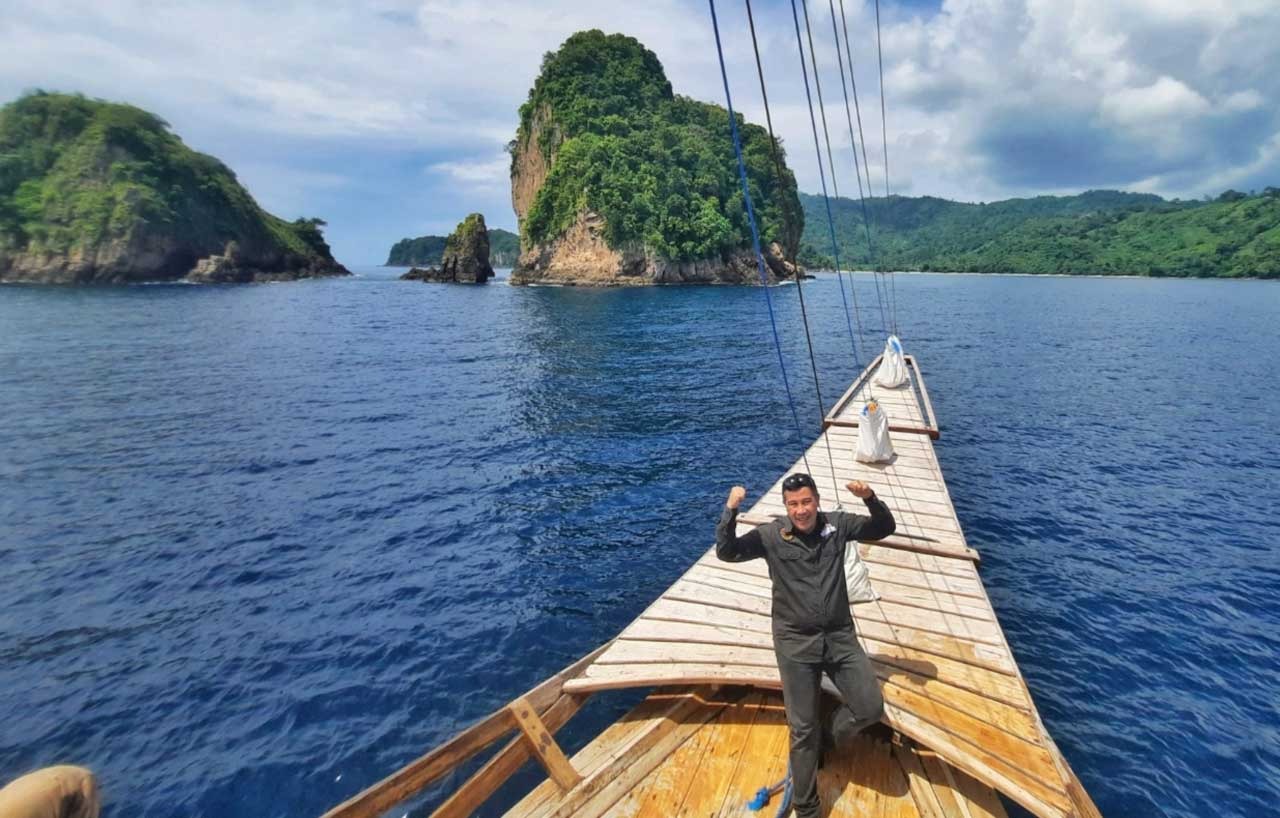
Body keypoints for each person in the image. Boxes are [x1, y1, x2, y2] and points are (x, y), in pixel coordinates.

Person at [716, 473, 894, 818]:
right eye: (793, 504)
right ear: (786, 507)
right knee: (801, 729)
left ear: (817, 500)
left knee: (869, 708)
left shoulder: (837, 526)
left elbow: (883, 528)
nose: (801, 510)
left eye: (806, 502)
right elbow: (728, 552)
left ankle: (827, 739)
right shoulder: (771, 535)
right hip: (795, 643)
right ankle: (807, 807)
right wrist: (731, 510)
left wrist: (870, 497)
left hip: (839, 637)